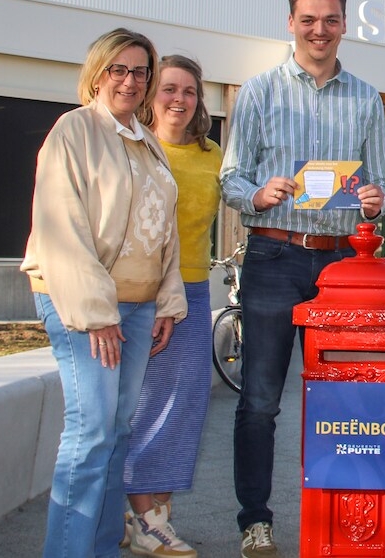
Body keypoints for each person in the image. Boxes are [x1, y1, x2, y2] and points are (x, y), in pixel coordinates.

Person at [219, 0, 385, 557]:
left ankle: (347, 521)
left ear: (344, 25)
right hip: (273, 256)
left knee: (344, 396)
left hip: (340, 264)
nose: (320, 30)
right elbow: (231, 177)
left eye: (331, 20)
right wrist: (256, 193)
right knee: (260, 399)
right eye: (309, 19)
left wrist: (373, 201)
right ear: (290, 23)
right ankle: (255, 521)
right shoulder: (259, 92)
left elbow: (379, 183)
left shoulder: (366, 98)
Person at [21, 28, 186, 558]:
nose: (130, 81)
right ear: (98, 74)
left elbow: (164, 231)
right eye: (118, 69)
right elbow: (62, 227)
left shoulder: (147, 142)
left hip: (138, 307)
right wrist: (97, 314)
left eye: (140, 71)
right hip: (83, 304)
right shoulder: (74, 131)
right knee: (91, 430)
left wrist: (167, 301)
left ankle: (100, 548)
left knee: (117, 430)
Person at [119, 55, 221, 558]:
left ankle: (151, 513)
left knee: (186, 405)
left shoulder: (212, 154)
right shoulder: (134, 146)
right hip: (146, 291)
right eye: (169, 89)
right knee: (150, 404)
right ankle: (146, 518)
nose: (179, 99)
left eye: (189, 91)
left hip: (195, 289)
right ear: (150, 95)